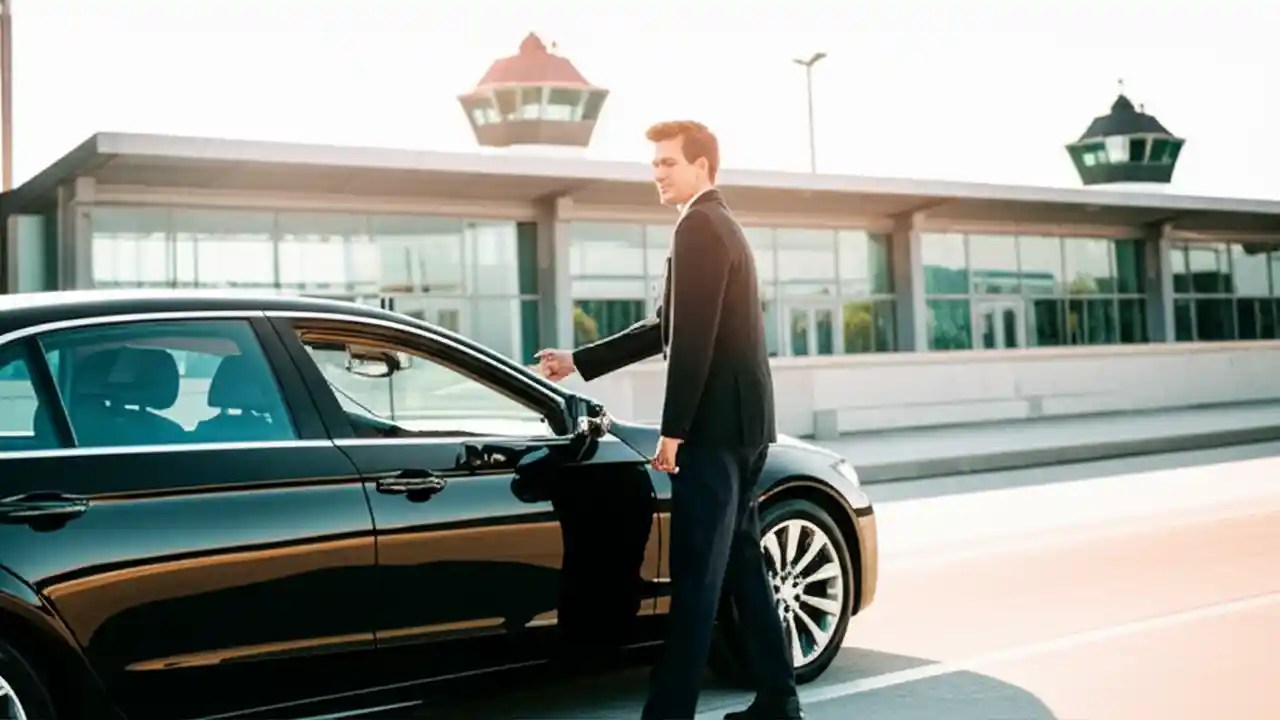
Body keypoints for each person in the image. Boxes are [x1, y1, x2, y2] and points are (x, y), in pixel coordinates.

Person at [535, 120, 802, 720]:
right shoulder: (718, 224)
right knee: (739, 563)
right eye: (654, 163)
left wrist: (673, 432)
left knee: (696, 578)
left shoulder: (701, 228)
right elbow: (665, 328)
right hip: (745, 427)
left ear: (702, 166)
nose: (657, 172)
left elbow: (693, 344)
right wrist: (579, 360)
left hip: (713, 432)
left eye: (668, 163)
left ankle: (669, 713)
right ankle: (779, 700)